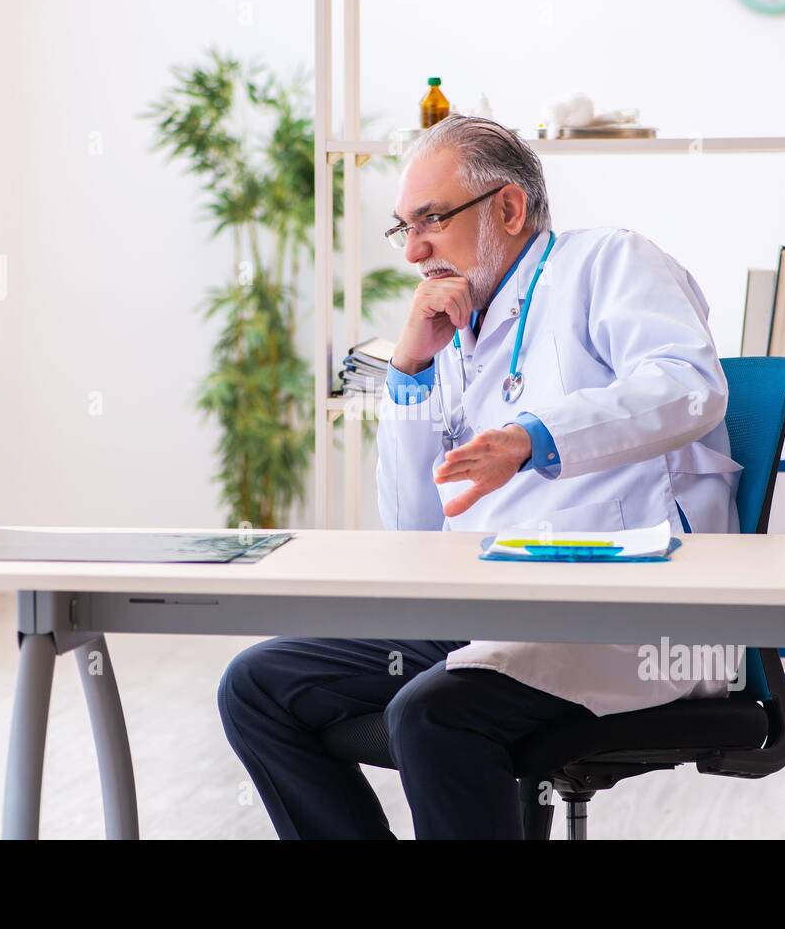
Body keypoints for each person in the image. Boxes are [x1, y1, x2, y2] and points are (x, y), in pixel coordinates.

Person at [218, 115, 741, 839]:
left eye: (430, 219)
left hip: (622, 617)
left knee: (432, 714)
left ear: (508, 207)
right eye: (403, 228)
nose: (414, 251)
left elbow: (688, 386)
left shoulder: (608, 263)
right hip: (486, 611)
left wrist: (534, 438)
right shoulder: (455, 329)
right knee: (257, 687)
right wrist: (407, 372)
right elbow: (413, 529)